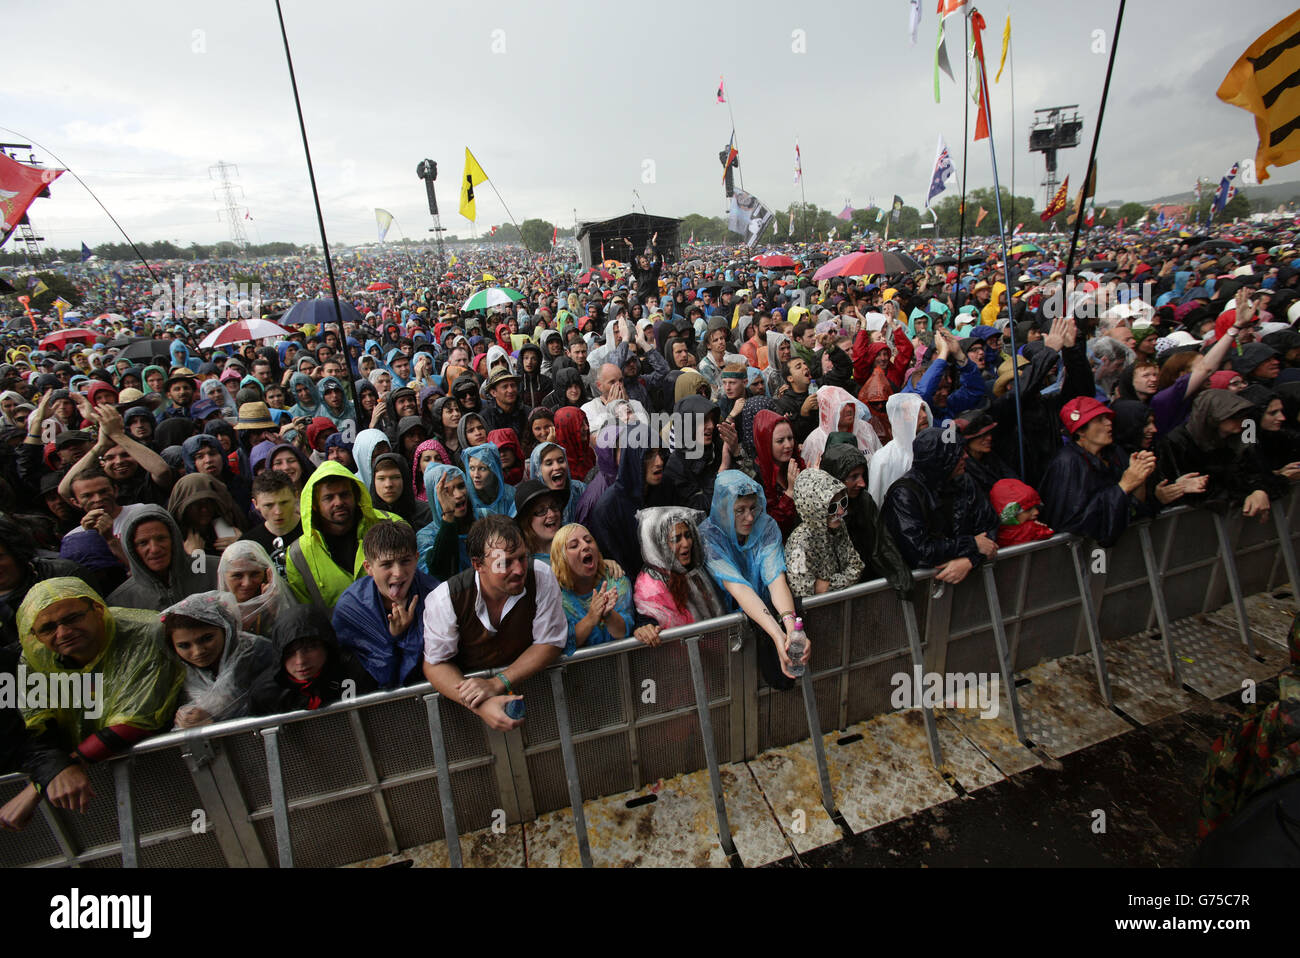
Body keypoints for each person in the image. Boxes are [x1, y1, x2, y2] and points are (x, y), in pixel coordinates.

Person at [0, 578, 183, 829]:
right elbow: (36, 730)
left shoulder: (146, 632)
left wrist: (38, 786)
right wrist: (55, 770)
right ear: (35, 636)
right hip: (101, 787)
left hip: (173, 766)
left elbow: (135, 720)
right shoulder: (35, 658)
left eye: (72, 618)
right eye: (48, 628)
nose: (63, 633)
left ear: (97, 609)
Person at [421, 516, 568, 731]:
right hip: (465, 718)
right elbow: (435, 664)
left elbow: (551, 641)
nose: (519, 570)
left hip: (536, 696)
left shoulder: (540, 576)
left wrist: (497, 683)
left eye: (521, 558)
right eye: (505, 563)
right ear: (478, 565)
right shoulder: (445, 599)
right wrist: (480, 705)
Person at [700, 470, 810, 688]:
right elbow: (738, 588)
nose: (749, 518)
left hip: (764, 612)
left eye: (753, 508)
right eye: (739, 511)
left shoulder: (766, 525)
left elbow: (775, 578)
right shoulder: (708, 536)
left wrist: (791, 630)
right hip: (727, 625)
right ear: (723, 510)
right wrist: (778, 635)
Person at [881, 427, 1000, 583]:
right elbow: (919, 551)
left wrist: (970, 560)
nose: (965, 456)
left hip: (968, 584)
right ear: (939, 459)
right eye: (957, 454)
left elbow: (989, 529)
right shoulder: (904, 494)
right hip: (924, 589)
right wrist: (972, 544)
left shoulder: (964, 481)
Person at [1039, 397, 1159, 547]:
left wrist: (1140, 477)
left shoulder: (1114, 453)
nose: (1109, 423)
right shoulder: (1067, 463)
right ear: (1081, 430)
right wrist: (1124, 485)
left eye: (1107, 418)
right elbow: (1077, 522)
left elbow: (1135, 508)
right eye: (1099, 420)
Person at [333, 521, 439, 688]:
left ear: (416, 559)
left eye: (405, 561)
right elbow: (383, 674)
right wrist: (395, 636)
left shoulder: (435, 596)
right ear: (369, 567)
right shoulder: (352, 607)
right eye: (386, 565)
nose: (398, 573)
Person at [285, 461, 401, 610]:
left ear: (356, 495)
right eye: (329, 498)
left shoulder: (391, 525)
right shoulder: (299, 555)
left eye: (344, 495)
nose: (338, 502)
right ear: (314, 504)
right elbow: (306, 614)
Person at [1156, 389, 1284, 519]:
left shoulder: (1243, 434)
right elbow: (1195, 490)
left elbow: (1258, 469)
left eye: (1244, 416)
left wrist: (1259, 490)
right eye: (1234, 417)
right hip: (1199, 521)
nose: (1242, 421)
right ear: (1214, 417)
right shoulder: (1177, 441)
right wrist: (1245, 496)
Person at [160, 592, 276, 728]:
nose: (198, 652)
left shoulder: (258, 654)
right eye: (184, 646)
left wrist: (214, 722)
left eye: (207, 638)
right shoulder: (176, 674)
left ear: (226, 630)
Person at [819, 441, 914, 598]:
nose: (862, 483)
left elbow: (881, 544)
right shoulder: (818, 510)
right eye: (853, 477)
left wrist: (899, 573)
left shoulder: (864, 501)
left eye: (863, 475)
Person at [251, 605, 378, 714]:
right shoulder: (266, 692)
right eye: (290, 653)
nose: (300, 661)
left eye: (309, 649)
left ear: (326, 645)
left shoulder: (353, 672)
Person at [632, 505, 727, 631]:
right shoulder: (650, 586)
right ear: (660, 544)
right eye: (676, 539)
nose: (686, 543)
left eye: (688, 535)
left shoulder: (696, 569)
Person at [550, 523, 640, 654]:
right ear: (561, 560)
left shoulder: (616, 581)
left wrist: (608, 615)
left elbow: (623, 633)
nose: (585, 546)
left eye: (588, 540)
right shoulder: (557, 599)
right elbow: (565, 644)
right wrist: (592, 617)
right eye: (574, 545)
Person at [108, 505, 219, 611]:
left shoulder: (217, 571)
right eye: (143, 543)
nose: (155, 549)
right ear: (132, 549)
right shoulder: (121, 602)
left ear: (174, 539)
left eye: (161, 538)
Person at [783, 468, 865, 597]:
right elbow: (804, 596)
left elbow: (857, 566)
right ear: (813, 508)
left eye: (842, 502)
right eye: (831, 507)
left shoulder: (838, 525)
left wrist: (829, 586)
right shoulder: (799, 544)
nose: (840, 512)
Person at [866, 393, 932, 508]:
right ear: (898, 418)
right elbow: (875, 502)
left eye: (923, 409)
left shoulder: (933, 450)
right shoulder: (884, 459)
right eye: (914, 411)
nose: (924, 415)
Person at [216, 540, 293, 636]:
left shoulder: (277, 601)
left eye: (254, 574)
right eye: (238, 575)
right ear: (224, 576)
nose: (247, 583)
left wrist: (276, 609)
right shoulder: (216, 611)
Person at [167, 472, 246, 556]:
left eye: (208, 502)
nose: (204, 509)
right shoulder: (173, 540)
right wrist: (195, 556)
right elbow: (197, 569)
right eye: (196, 504)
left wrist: (242, 544)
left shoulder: (228, 526)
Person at [417, 462, 473, 580]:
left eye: (461, 486)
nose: (458, 495)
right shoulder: (426, 537)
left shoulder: (483, 519)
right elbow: (436, 576)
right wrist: (448, 516)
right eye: (447, 491)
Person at [241, 469, 303, 559]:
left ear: (296, 496)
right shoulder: (248, 545)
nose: (278, 512)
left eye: (284, 503)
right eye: (269, 505)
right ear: (255, 504)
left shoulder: (317, 532)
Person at [368, 452, 432, 528]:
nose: (388, 485)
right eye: (381, 478)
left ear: (405, 479)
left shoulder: (426, 514)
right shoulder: (366, 516)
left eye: (395, 477)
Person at [989, 479, 1056, 547]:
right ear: (1011, 515)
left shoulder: (992, 534)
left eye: (1035, 507)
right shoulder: (1032, 530)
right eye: (1028, 509)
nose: (1036, 512)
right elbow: (1048, 532)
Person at [462, 442, 516, 518]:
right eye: (472, 468)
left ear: (494, 471)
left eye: (483, 468)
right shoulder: (466, 498)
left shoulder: (510, 494)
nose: (476, 475)